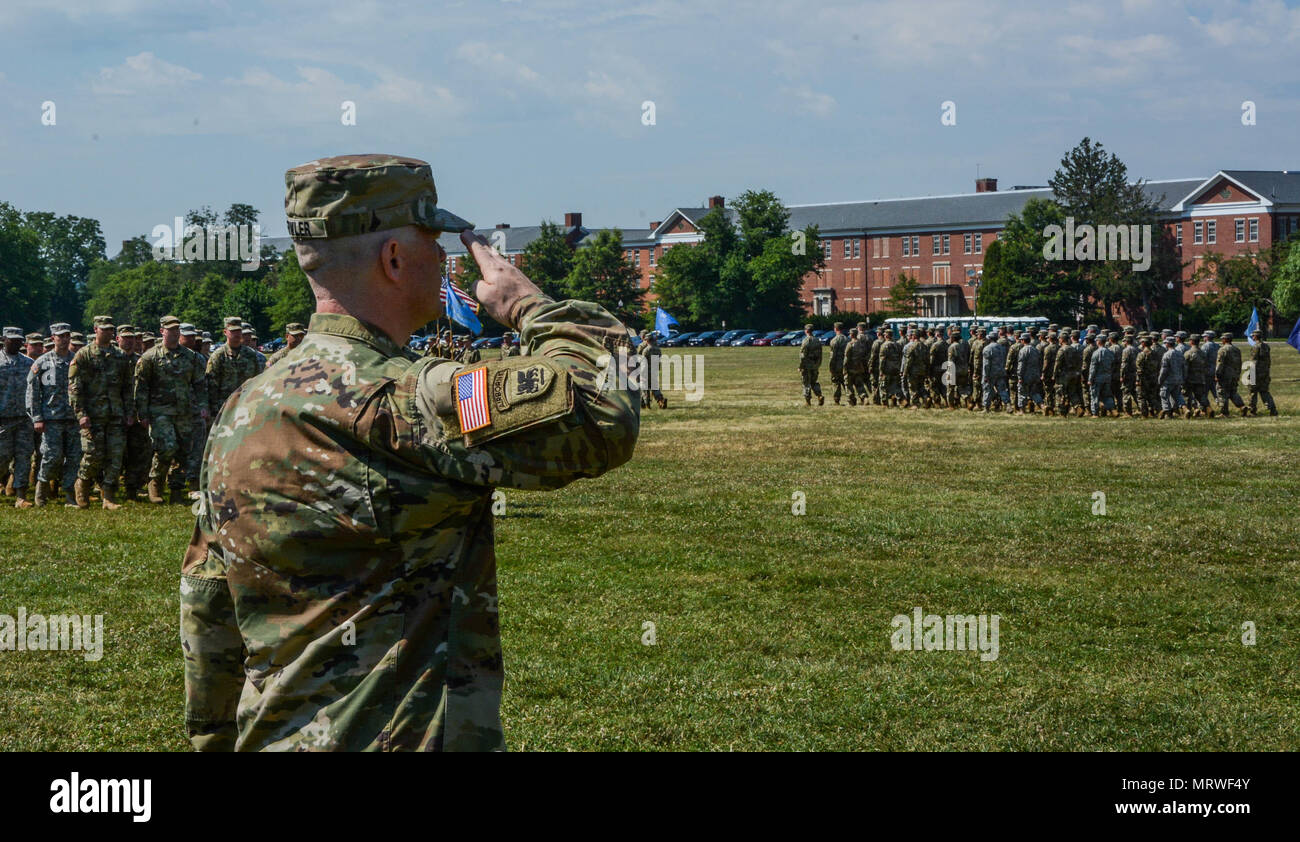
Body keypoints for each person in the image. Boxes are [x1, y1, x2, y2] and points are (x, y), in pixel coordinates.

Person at [180, 153, 639, 752]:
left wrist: (214, 737)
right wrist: (531, 306)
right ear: (394, 259)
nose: (445, 258)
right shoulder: (407, 397)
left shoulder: (245, 404)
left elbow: (208, 597)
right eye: (434, 239)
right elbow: (602, 414)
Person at [136, 315, 208, 503]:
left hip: (184, 412)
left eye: (177, 330)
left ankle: (176, 489)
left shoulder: (191, 357)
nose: (174, 333)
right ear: (162, 331)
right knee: (166, 448)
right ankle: (155, 483)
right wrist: (142, 413)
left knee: (183, 451)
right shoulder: (150, 357)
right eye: (170, 330)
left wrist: (202, 406)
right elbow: (141, 388)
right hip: (160, 412)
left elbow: (199, 384)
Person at [68, 316, 133, 509]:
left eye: (110, 329)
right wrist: (81, 414)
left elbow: (127, 387)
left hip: (115, 414)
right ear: (95, 329)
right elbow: (74, 388)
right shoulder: (84, 355)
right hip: (93, 415)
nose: (108, 332)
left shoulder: (119, 356)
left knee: (115, 455)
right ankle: (82, 485)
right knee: (93, 455)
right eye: (104, 329)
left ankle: (109, 496)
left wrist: (129, 412)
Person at [26, 323, 81, 506]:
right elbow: (33, 392)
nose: (64, 339)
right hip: (52, 419)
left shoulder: (77, 360)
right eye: (60, 336)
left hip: (73, 419)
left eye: (67, 336)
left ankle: (70, 495)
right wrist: (37, 418)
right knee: (51, 457)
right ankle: (41, 493)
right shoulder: (42, 362)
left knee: (74, 458)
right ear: (52, 339)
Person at [0, 326, 35, 508]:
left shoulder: (29, 363)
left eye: (18, 340)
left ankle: (21, 495)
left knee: (23, 458)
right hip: (3, 419)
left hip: (24, 419)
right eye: (11, 339)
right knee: (2, 457)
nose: (15, 343)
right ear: (3, 339)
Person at [207, 317, 261, 419]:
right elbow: (211, 386)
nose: (236, 334)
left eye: (239, 331)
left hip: (247, 404)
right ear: (225, 332)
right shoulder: (218, 355)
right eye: (233, 331)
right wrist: (214, 409)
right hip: (224, 407)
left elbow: (257, 379)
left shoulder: (250, 354)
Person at [1246, 328, 1277, 416]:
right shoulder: (1266, 346)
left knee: (1252, 392)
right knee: (1264, 392)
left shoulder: (1256, 347)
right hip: (1265, 372)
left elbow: (1253, 361)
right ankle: (1272, 409)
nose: (1252, 337)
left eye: (1253, 336)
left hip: (1256, 373)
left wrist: (1250, 374)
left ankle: (1252, 411)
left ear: (1255, 337)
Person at [1215, 332, 1246, 417]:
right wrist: (1238, 374)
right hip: (1234, 374)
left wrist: (1217, 375)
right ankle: (1242, 406)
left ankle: (1224, 412)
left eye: (1222, 339)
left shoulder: (1223, 350)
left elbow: (1220, 364)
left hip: (1225, 375)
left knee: (1222, 392)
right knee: (1233, 392)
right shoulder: (1236, 349)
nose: (1221, 340)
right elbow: (1239, 363)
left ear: (1225, 339)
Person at [1157, 335, 1187, 418]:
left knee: (1164, 396)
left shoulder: (1166, 354)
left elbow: (1164, 370)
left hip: (1168, 380)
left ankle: (1167, 413)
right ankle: (1185, 408)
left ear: (1168, 344)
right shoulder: (1180, 354)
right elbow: (1184, 367)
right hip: (1178, 379)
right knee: (1178, 395)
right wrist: (1183, 378)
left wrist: (1160, 380)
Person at [637, 331, 667, 409]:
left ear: (647, 340)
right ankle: (661, 400)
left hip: (646, 371)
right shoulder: (658, 349)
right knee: (655, 387)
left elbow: (643, 362)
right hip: (654, 370)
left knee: (644, 388)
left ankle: (647, 404)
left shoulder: (646, 350)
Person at [1016, 332, 1043, 414]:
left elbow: (1021, 365)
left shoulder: (1023, 350)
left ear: (1023, 340)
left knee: (1022, 392)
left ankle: (1022, 410)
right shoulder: (1035, 350)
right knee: (1034, 392)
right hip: (1035, 374)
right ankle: (1042, 406)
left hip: (1026, 375)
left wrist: (1020, 377)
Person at [799, 323, 823, 406]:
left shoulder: (806, 340)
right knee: (814, 382)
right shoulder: (817, 340)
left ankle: (808, 401)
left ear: (806, 330)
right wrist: (818, 364)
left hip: (807, 365)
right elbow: (820, 354)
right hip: (815, 364)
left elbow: (803, 355)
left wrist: (801, 366)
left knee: (806, 383)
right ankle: (819, 395)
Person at [827, 322, 848, 405]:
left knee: (836, 382)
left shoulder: (834, 341)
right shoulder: (847, 339)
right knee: (846, 382)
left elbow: (832, 356)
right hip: (846, 364)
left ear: (835, 329)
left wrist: (831, 368)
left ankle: (837, 400)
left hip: (837, 364)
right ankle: (851, 398)